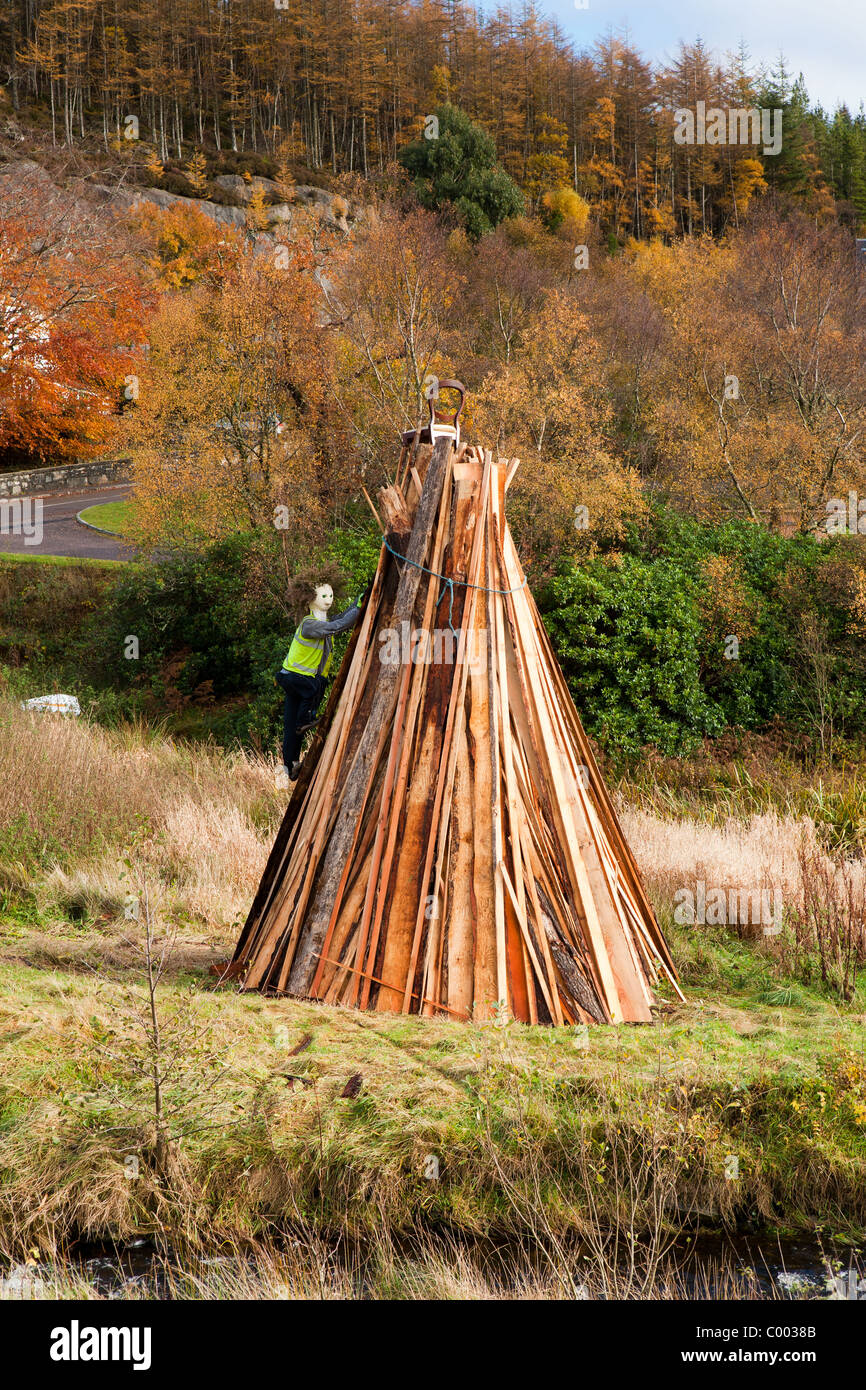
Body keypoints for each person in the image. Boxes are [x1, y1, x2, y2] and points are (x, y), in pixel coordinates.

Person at [277, 581, 370, 782]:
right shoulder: (310, 624)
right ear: (310, 601)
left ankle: (290, 765)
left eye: (330, 596)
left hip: (304, 679)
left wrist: (358, 602)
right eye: (323, 597)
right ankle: (305, 721)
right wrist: (359, 610)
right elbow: (336, 626)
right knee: (305, 705)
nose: (328, 600)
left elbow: (341, 618)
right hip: (297, 677)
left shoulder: (323, 622)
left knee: (292, 727)